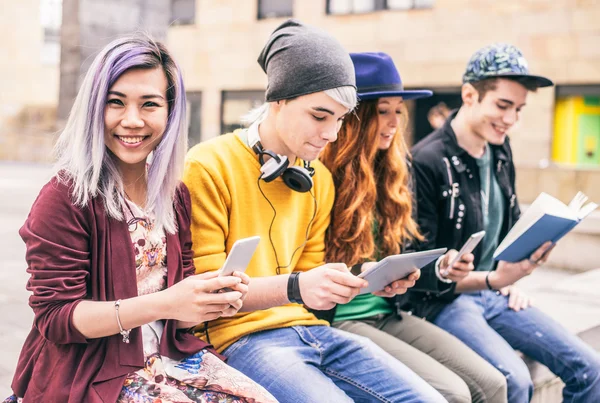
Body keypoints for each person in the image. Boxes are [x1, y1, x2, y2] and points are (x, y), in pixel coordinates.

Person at [183, 19, 445, 403]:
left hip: (309, 329)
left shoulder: (318, 177)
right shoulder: (208, 165)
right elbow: (208, 297)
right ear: (278, 100)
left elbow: (307, 281)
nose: (331, 134)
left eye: (340, 120)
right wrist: (297, 287)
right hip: (238, 338)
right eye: (320, 116)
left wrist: (363, 281)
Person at [3, 35, 276, 403]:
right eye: (115, 103)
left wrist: (208, 301)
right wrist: (167, 302)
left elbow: (176, 316)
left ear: (171, 111)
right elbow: (55, 318)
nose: (132, 121)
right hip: (90, 371)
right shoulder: (65, 197)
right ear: (93, 108)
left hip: (169, 358)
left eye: (149, 104)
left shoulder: (174, 194)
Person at [410, 43, 600, 402]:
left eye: (519, 109)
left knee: (591, 369)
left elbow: (510, 220)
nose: (511, 119)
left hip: (495, 293)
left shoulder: (500, 149)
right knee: (512, 380)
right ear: (469, 95)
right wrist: (495, 278)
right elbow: (419, 269)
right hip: (445, 303)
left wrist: (518, 264)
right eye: (502, 105)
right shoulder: (426, 160)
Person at [318, 51, 508, 403]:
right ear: (353, 117)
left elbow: (405, 254)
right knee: (454, 394)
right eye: (381, 111)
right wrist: (367, 274)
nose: (393, 122)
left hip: (391, 312)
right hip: (340, 319)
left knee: (493, 383)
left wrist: (438, 267)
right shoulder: (323, 175)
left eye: (398, 112)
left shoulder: (396, 172)